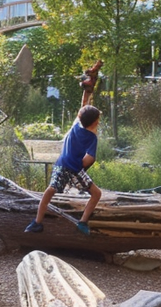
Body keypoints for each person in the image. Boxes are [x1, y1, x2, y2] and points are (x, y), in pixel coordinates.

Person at [25, 60, 104, 235]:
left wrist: (87, 89)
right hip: (75, 168)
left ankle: (37, 222)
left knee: (50, 190)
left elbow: (83, 107)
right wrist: (80, 169)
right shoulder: (92, 137)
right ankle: (82, 222)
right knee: (96, 194)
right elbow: (90, 158)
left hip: (63, 165)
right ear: (94, 123)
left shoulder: (77, 125)